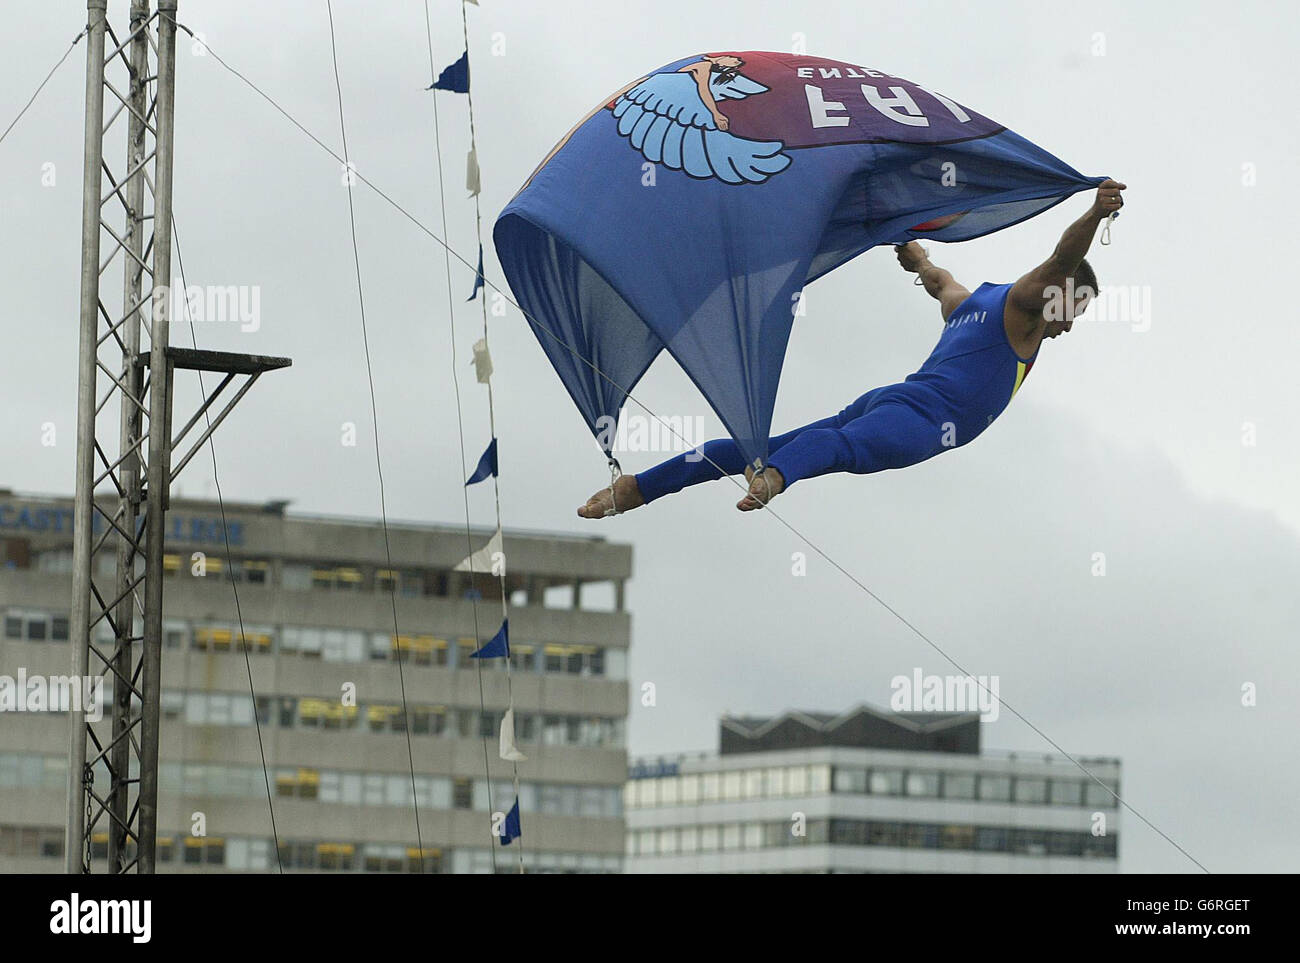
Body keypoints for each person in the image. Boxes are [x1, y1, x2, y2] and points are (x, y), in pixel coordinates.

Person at [577, 179, 1126, 518]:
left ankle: (635, 489)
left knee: (769, 444)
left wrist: (909, 249)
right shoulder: (1028, 312)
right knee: (831, 452)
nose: (1068, 327)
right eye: (1072, 312)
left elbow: (938, 278)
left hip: (884, 400)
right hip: (918, 420)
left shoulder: (973, 303)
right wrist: (1095, 213)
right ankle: (774, 481)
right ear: (1056, 295)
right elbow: (1061, 261)